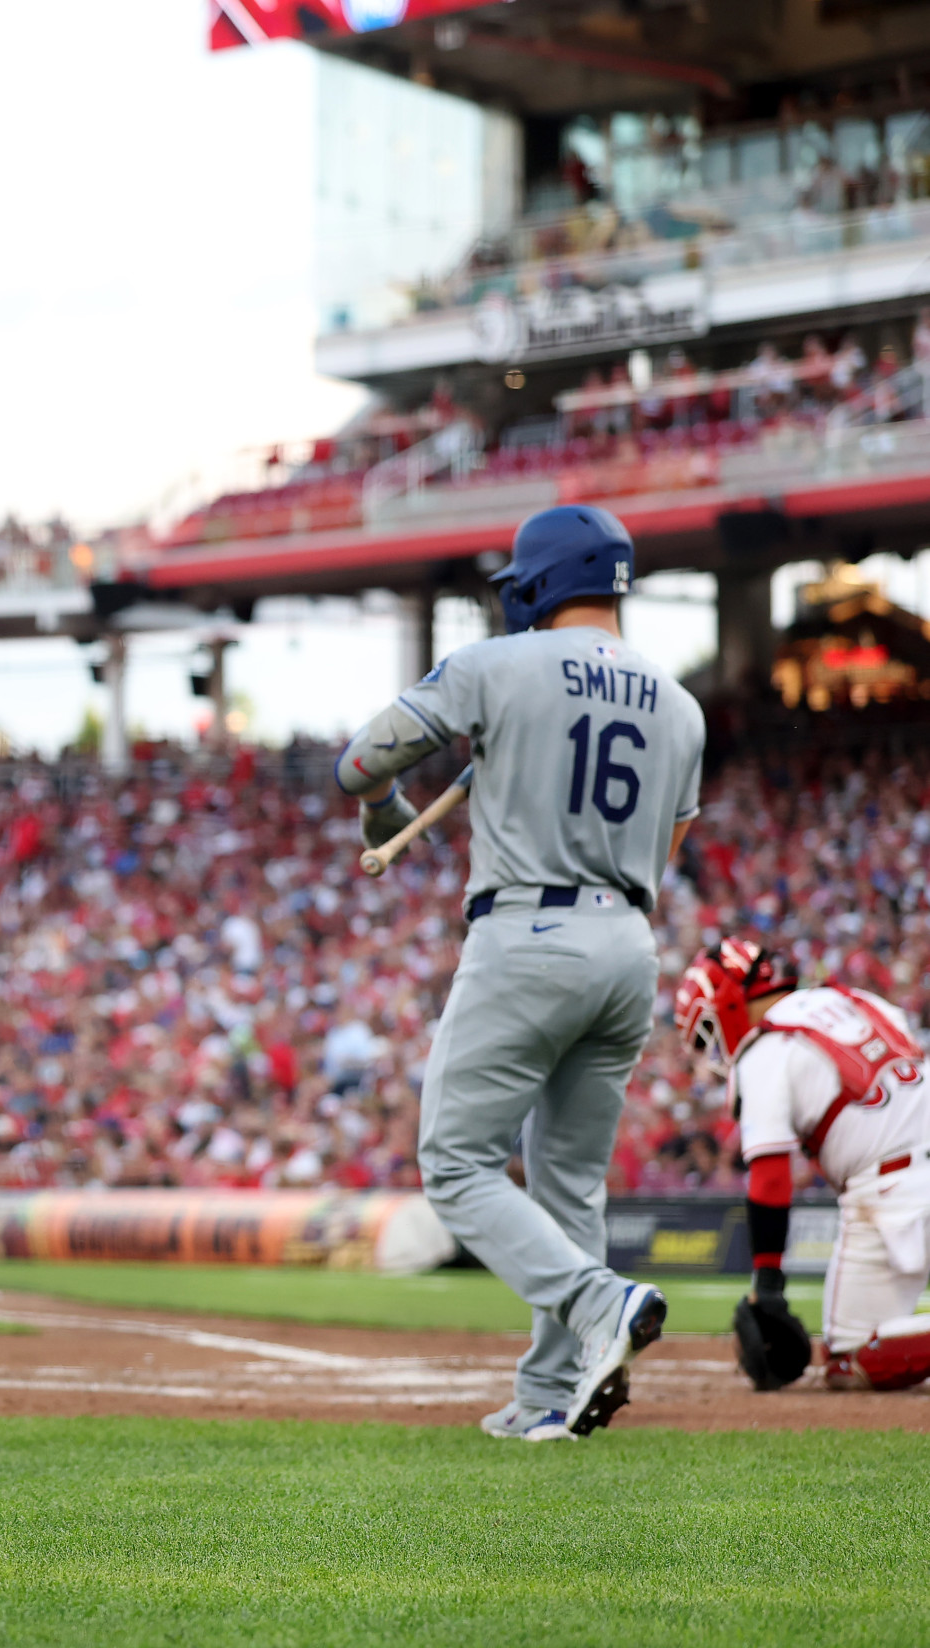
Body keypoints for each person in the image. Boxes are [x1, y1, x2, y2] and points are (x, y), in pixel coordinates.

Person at [333, 503, 704, 1440]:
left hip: (528, 931)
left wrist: (384, 812)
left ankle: (595, 1306)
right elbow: (670, 844)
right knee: (569, 1183)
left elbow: (359, 762)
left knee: (454, 1165)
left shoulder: (495, 665)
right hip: (628, 942)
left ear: (539, 581)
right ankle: (548, 1394)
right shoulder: (681, 705)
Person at [675, 938, 930, 1391]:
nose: (715, 1050)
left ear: (730, 1001)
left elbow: (771, 1178)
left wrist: (767, 1285)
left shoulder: (765, 1051)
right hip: (905, 1170)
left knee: (849, 1363)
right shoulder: (856, 998)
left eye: (710, 1030)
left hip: (894, 1191)